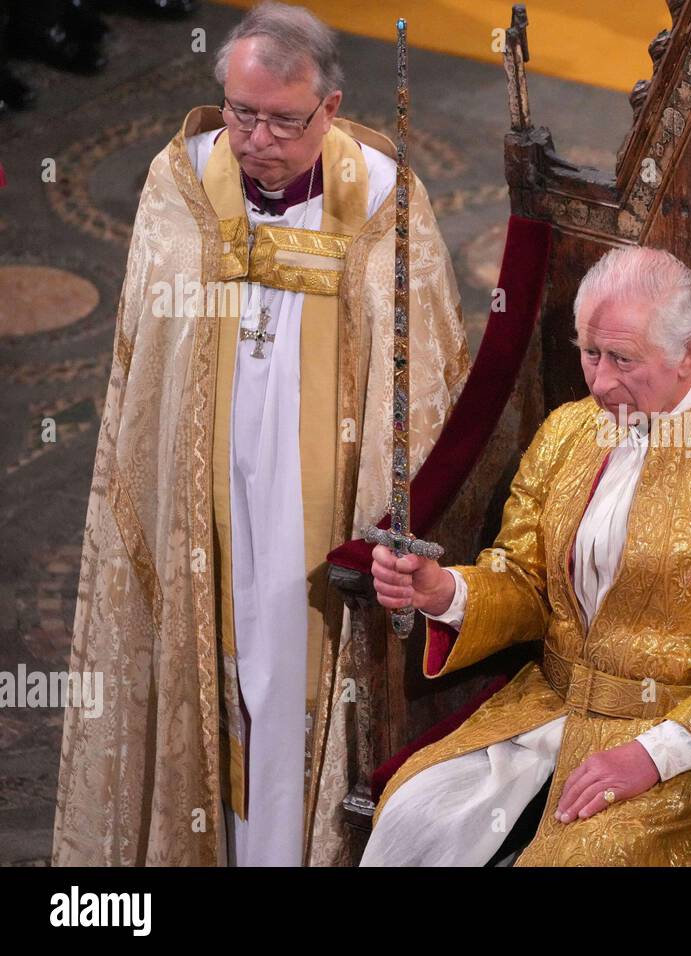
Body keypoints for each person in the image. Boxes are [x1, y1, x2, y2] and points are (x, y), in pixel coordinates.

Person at [53, 1, 469, 866]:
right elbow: (146, 360)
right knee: (212, 672)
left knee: (287, 678)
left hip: (315, 500)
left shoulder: (385, 202)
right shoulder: (183, 182)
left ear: (330, 106)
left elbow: (420, 374)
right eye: (242, 114)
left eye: (283, 120)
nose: (256, 139)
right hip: (201, 493)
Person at [361, 246, 691, 866]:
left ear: (687, 353)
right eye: (590, 353)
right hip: (543, 710)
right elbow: (525, 579)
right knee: (414, 814)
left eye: (623, 359)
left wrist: (654, 755)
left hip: (677, 752)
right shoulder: (569, 431)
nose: (601, 381)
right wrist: (443, 591)